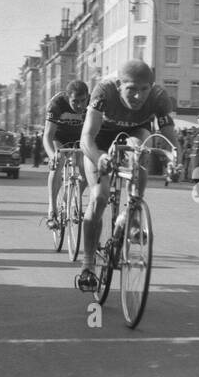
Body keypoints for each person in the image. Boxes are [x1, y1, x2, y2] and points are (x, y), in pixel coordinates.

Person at [75, 60, 180, 292]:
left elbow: (169, 136)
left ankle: (132, 212)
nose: (138, 96)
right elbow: (86, 138)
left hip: (134, 133)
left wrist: (175, 160)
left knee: (139, 146)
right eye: (131, 89)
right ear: (119, 85)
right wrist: (98, 157)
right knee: (99, 198)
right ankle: (88, 263)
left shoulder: (159, 97)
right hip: (100, 139)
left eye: (144, 89)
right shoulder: (104, 91)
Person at [44, 79, 89, 227]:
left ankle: (71, 201)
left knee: (87, 170)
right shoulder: (57, 104)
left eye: (83, 101)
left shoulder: (92, 104)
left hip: (80, 138)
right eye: (75, 101)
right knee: (59, 160)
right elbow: (47, 136)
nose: (80, 106)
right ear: (67, 97)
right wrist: (52, 156)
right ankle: (52, 209)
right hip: (59, 137)